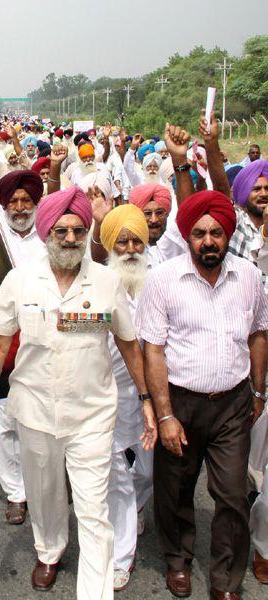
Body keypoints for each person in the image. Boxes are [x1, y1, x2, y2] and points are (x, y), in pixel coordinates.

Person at [0, 186, 149, 599]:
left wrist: (147, 401)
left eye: (77, 230)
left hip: (92, 414)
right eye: (61, 232)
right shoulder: (20, 280)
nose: (71, 239)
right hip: (34, 411)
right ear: (46, 233)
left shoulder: (107, 282)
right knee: (45, 494)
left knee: (94, 511)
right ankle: (49, 550)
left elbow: (128, 344)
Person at [135, 190, 268, 600]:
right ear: (187, 236)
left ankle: (226, 580)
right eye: (198, 233)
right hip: (180, 402)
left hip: (232, 403)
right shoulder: (162, 279)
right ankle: (178, 559)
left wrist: (258, 391)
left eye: (216, 233)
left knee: (231, 495)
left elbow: (259, 332)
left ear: (227, 234)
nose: (208, 241)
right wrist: (164, 415)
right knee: (175, 488)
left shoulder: (247, 276)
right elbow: (152, 349)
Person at [98, 205, 158, 591]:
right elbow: (73, 324)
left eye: (137, 240)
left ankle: (136, 508)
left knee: (149, 471)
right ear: (109, 245)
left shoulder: (160, 281)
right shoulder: (96, 283)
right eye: (123, 241)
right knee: (116, 476)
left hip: (158, 396)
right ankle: (121, 554)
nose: (131, 248)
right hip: (107, 397)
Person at [0, 169, 48, 524]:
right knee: (5, 423)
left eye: (26, 201)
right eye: (14, 202)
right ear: (5, 206)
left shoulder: (48, 239)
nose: (21, 207)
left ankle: (43, 485)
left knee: (39, 419)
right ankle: (16, 493)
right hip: (1, 340)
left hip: (41, 341)